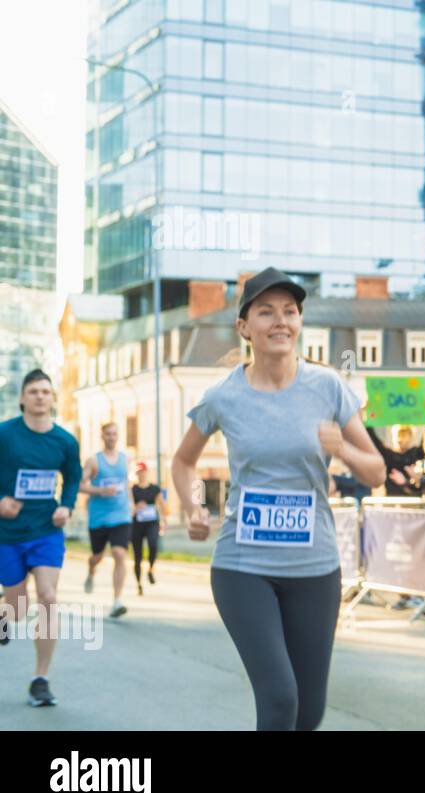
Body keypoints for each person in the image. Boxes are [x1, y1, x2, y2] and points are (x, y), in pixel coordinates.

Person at [171, 267, 385, 731]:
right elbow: (184, 461)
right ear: (244, 327)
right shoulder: (223, 397)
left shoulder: (328, 387)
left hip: (315, 569)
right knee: (280, 697)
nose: (280, 321)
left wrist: (342, 448)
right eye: (265, 312)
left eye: (289, 311)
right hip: (242, 567)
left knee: (308, 713)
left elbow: (377, 470)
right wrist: (193, 507)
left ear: (300, 322)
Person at [0, 369, 82, 707]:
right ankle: (5, 616)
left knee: (48, 597)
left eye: (45, 391)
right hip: (7, 534)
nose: (39, 396)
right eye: (33, 391)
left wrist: (66, 506)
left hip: (47, 530)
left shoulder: (64, 441)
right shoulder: (5, 435)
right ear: (22, 398)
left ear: (53, 398)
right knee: (18, 609)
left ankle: (41, 678)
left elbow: (73, 477)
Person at [80, 422, 133, 618]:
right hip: (99, 518)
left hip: (121, 515)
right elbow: (79, 486)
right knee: (97, 556)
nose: (111, 437)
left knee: (120, 554)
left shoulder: (125, 459)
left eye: (114, 434)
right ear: (102, 436)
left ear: (118, 436)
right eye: (108, 434)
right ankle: (91, 569)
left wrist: (132, 504)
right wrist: (101, 490)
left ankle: (117, 601)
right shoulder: (94, 461)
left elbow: (126, 484)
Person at [130, 462, 167, 596]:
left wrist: (164, 520)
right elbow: (129, 508)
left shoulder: (154, 489)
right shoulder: (133, 489)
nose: (142, 474)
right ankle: (139, 584)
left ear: (147, 472)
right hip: (137, 525)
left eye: (143, 471)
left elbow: (162, 504)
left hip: (152, 523)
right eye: (139, 472)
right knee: (137, 556)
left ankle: (151, 569)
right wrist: (136, 507)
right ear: (136, 474)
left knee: (153, 545)